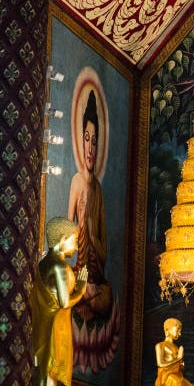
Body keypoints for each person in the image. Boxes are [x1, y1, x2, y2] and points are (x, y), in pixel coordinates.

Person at [30, 217, 88, 386]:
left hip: (42, 327)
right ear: (63, 239)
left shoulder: (43, 263)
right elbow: (64, 303)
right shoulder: (60, 266)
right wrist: (80, 290)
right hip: (55, 328)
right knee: (49, 378)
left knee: (42, 377)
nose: (77, 248)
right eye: (74, 240)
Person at [68, 90, 112, 319]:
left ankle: (89, 294)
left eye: (95, 141)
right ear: (79, 139)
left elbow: (104, 242)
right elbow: (67, 227)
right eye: (87, 139)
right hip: (81, 264)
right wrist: (81, 233)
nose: (91, 148)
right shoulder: (77, 181)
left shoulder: (99, 189)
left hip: (96, 270)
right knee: (77, 285)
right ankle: (85, 294)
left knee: (107, 297)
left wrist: (95, 240)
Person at [154, 318, 194, 386]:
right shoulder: (160, 345)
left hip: (176, 375)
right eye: (178, 330)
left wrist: (181, 366)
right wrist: (179, 358)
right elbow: (160, 364)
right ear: (167, 329)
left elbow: (178, 366)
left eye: (180, 331)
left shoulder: (176, 347)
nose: (180, 334)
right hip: (166, 376)